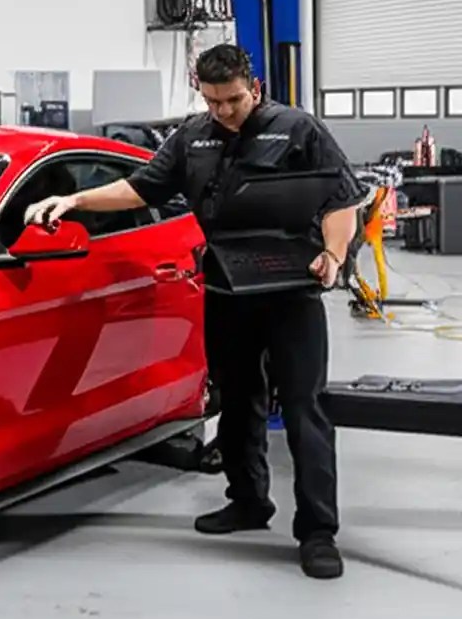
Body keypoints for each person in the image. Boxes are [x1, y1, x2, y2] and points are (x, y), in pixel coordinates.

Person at [23, 44, 365, 580]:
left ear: (253, 87)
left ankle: (318, 531)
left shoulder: (300, 130)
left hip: (292, 289)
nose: (224, 111)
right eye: (212, 101)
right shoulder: (193, 136)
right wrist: (76, 202)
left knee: (304, 409)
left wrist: (334, 254)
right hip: (228, 289)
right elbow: (140, 188)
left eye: (232, 100)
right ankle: (249, 501)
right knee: (237, 401)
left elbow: (342, 200)